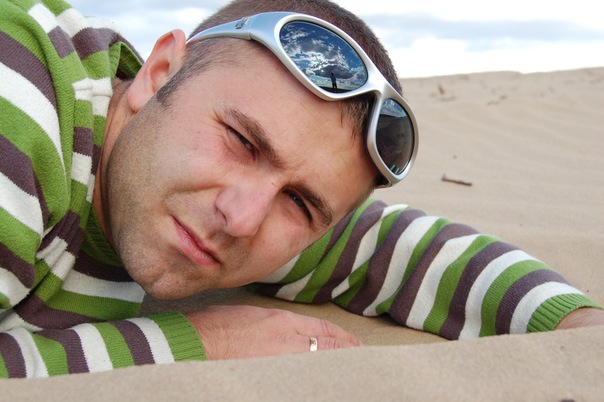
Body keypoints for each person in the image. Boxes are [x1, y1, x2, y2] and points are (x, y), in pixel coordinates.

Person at [0, 0, 601, 378]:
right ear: (158, 75)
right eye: (242, 140)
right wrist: (202, 341)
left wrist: (580, 330)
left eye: (300, 203)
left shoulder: (210, 205)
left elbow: (403, 254)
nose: (241, 218)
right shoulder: (23, 107)